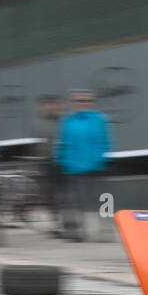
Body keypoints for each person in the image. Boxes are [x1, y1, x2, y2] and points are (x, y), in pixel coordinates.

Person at [56, 89, 112, 241]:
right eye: (79, 101)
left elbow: (105, 141)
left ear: (92, 103)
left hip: (97, 166)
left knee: (105, 199)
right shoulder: (68, 121)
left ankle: (107, 230)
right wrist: (62, 161)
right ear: (73, 103)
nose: (83, 104)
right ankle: (80, 232)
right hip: (75, 168)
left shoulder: (100, 119)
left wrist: (103, 159)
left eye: (87, 101)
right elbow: (64, 144)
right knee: (78, 202)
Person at [37, 94, 64, 233]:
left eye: (53, 104)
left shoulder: (64, 122)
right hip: (46, 164)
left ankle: (65, 223)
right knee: (50, 196)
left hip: (62, 162)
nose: (50, 107)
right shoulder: (40, 124)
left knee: (63, 195)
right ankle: (56, 224)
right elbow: (37, 145)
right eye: (47, 104)